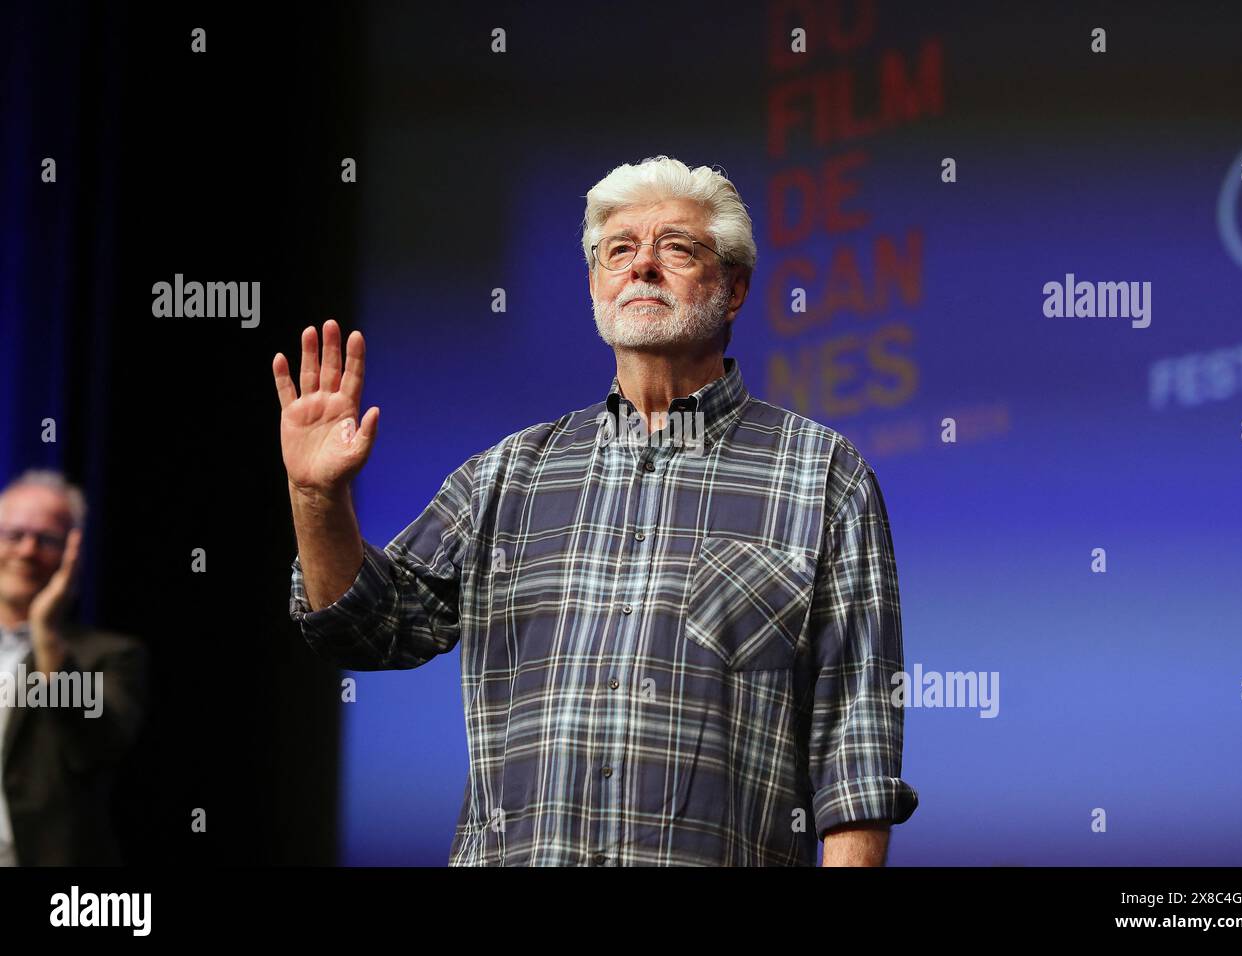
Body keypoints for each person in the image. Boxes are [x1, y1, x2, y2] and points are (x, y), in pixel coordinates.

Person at [276, 155, 918, 866]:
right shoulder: (508, 474)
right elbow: (363, 626)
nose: (642, 265)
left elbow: (855, 762)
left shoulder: (821, 476)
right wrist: (316, 497)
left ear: (734, 288)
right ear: (594, 283)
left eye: (677, 247)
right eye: (619, 249)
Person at [0, 469, 149, 865]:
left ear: (73, 553)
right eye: (13, 535)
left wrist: (45, 633)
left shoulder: (109, 656)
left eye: (46, 539)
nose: (27, 550)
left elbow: (94, 743)